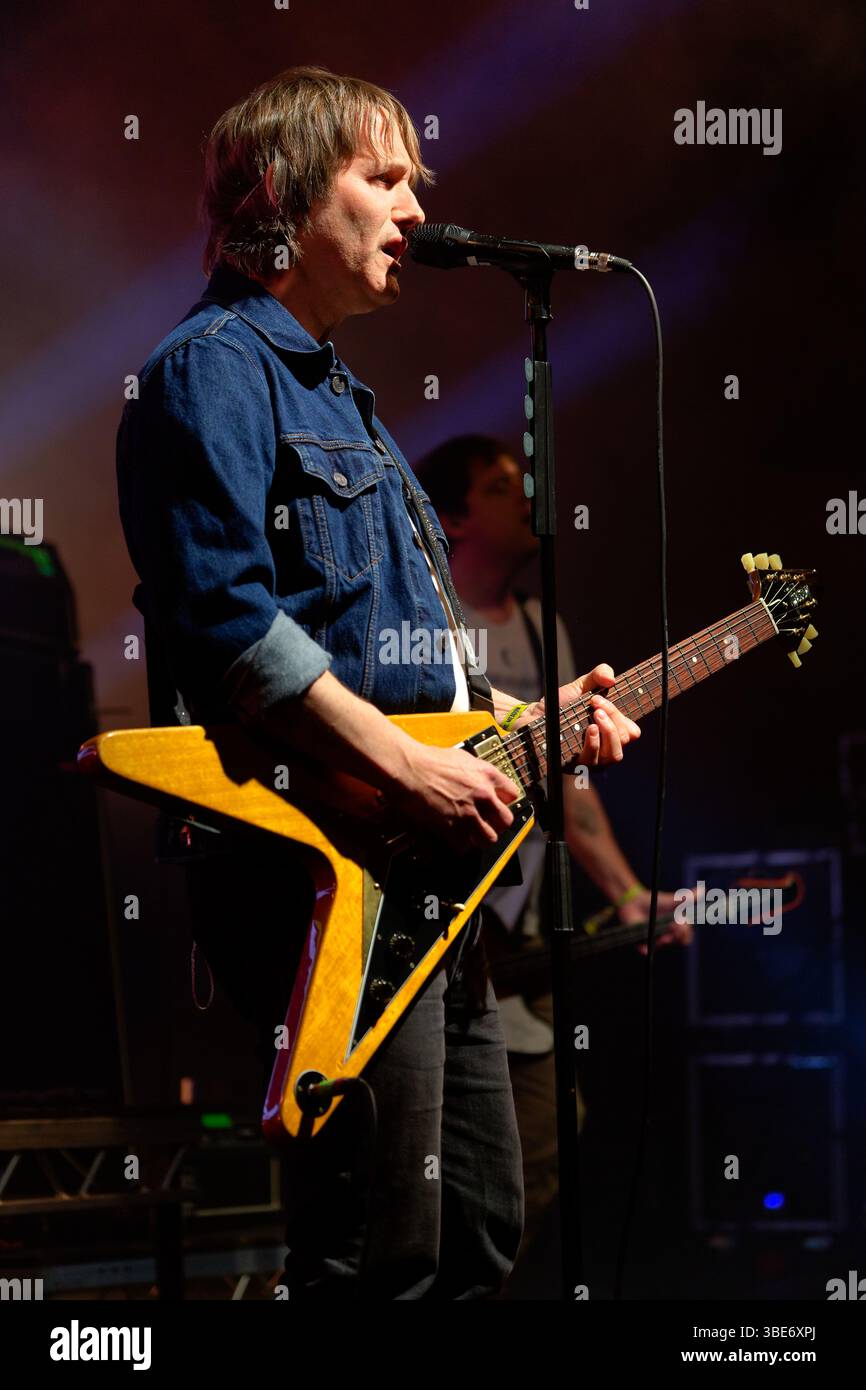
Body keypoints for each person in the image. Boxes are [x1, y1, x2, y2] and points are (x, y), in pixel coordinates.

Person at [115, 67, 642, 1300]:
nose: (414, 209)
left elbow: (401, 665)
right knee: (374, 1247)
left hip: (424, 879)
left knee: (476, 1228)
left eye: (417, 183)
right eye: (383, 177)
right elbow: (231, 627)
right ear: (288, 191)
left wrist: (523, 725)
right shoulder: (211, 368)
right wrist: (406, 766)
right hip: (321, 867)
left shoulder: (346, 400)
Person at [416, 434, 692, 1257]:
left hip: (507, 940)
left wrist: (628, 894)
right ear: (456, 517)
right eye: (502, 487)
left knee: (541, 1144)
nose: (529, 494)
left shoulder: (543, 631)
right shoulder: (420, 614)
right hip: (421, 916)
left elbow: (571, 790)